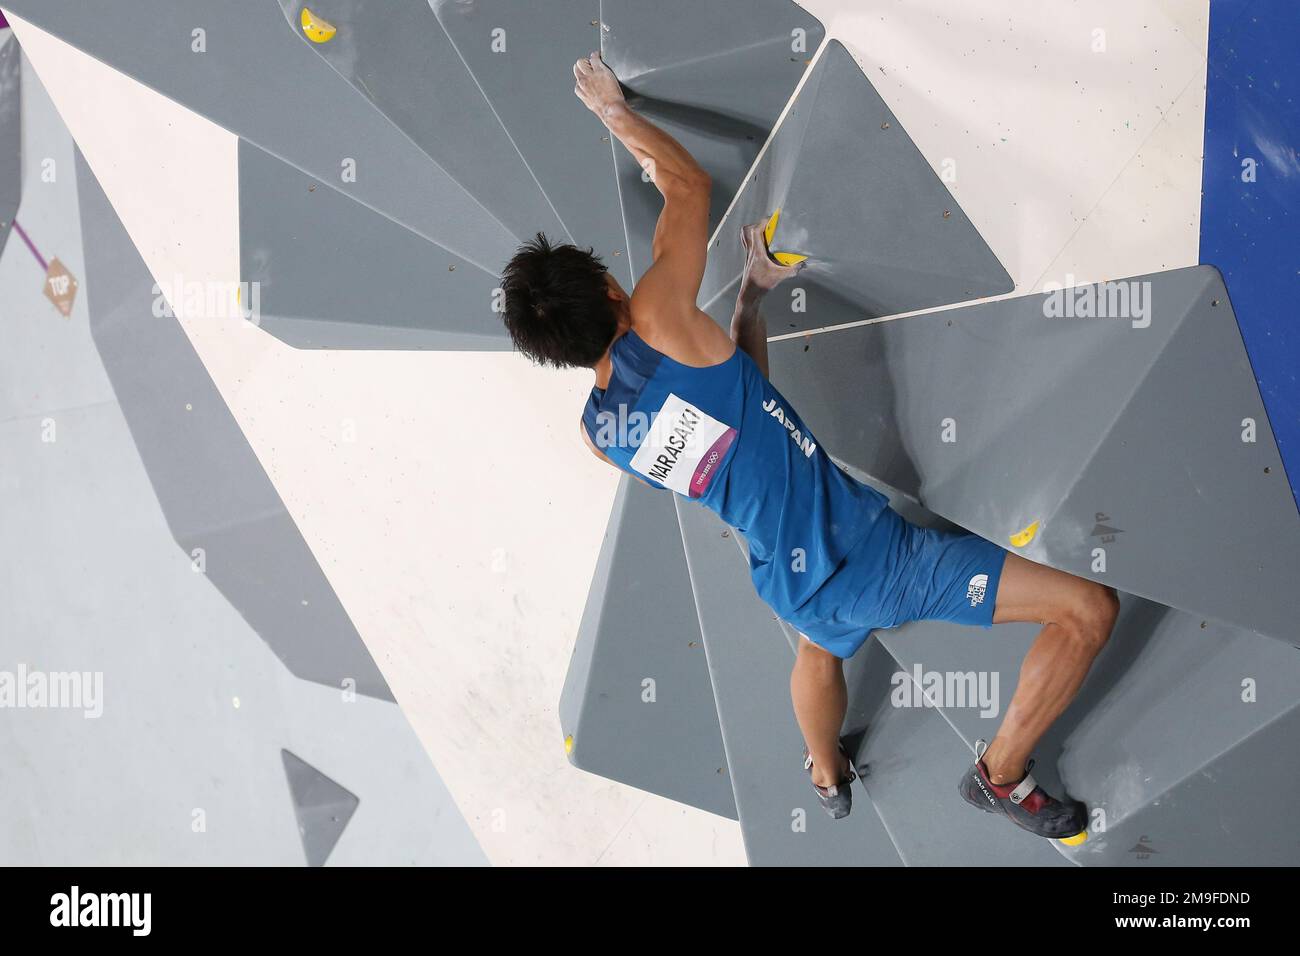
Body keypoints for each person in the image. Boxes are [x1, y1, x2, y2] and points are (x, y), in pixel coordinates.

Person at [500, 52, 1117, 838]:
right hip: (876, 564)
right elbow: (687, 187)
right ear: (614, 290)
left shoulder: (599, 434)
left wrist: (748, 313)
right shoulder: (656, 316)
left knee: (819, 650)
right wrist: (613, 112)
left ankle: (827, 778)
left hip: (785, 575)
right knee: (1087, 610)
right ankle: (999, 776)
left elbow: (730, 426)